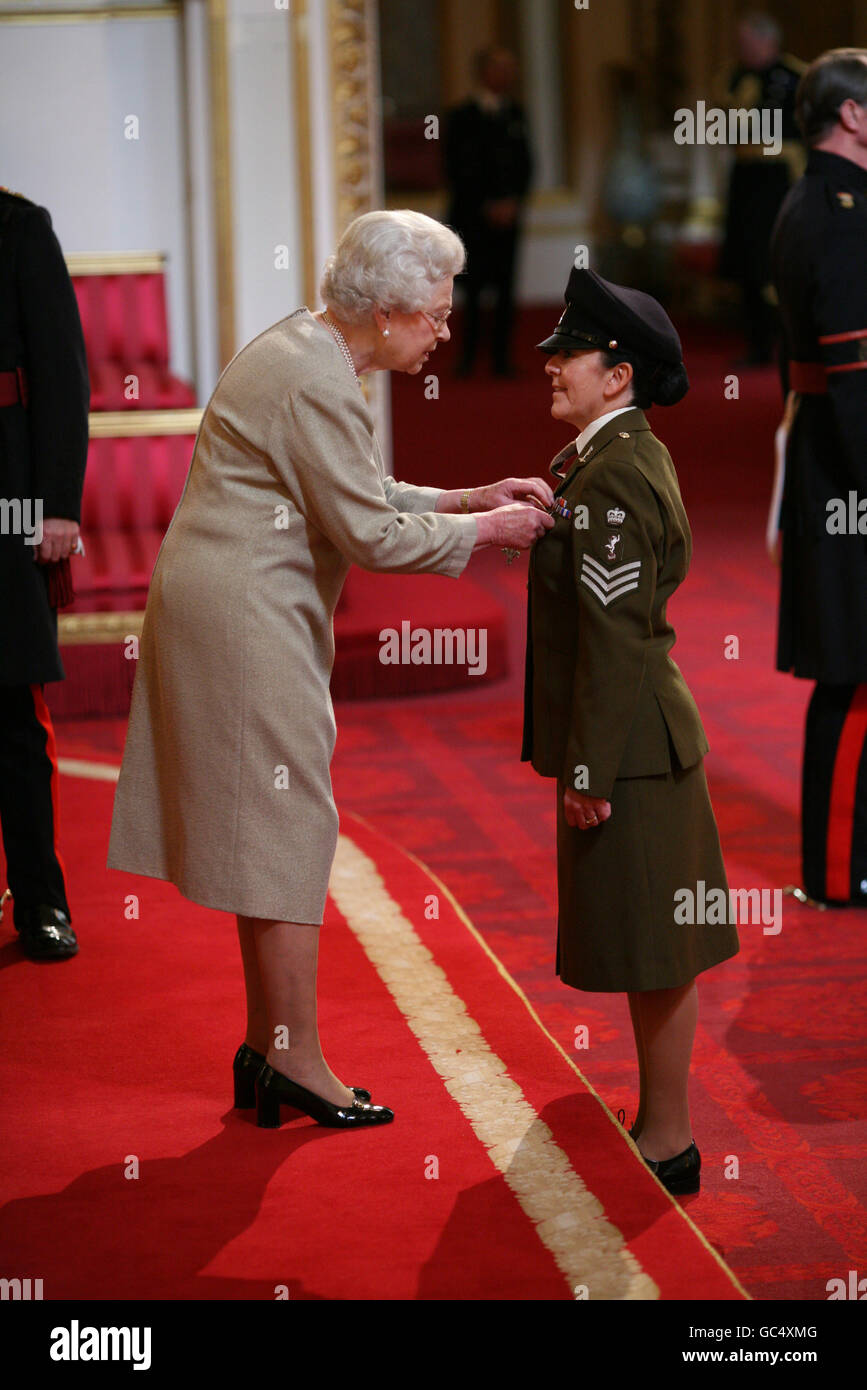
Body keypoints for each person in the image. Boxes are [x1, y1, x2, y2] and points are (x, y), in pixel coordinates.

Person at [107, 209, 554, 1131]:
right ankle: (294, 1058)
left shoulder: (312, 351)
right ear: (385, 311)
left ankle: (270, 1047)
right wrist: (487, 531)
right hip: (242, 615)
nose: (443, 330)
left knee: (262, 824)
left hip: (233, 601)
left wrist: (469, 495)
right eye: (433, 314)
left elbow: (361, 487)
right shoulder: (316, 375)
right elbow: (369, 531)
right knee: (286, 824)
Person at [522, 268, 740, 1195]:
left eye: (567, 355)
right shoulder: (606, 457)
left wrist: (589, 771)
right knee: (647, 939)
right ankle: (660, 1118)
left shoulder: (610, 476)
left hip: (635, 747)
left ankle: (669, 1139)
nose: (552, 369)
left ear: (618, 376)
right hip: (639, 736)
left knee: (657, 949)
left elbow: (612, 639)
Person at [768, 48, 867, 908]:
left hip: (834, 459)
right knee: (852, 668)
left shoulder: (827, 200)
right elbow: (850, 373)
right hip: (847, 470)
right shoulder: (836, 212)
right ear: (853, 117)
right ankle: (837, 872)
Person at [0, 187, 89, 961]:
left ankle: (39, 902)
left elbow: (61, 371)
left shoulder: (18, 226)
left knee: (9, 713)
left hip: (7, 498)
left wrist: (56, 506)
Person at [717, 12, 805, 365]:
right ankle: (756, 343)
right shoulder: (734, 77)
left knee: (778, 258)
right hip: (747, 174)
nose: (742, 49)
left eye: (748, 42)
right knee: (748, 260)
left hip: (780, 176)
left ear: (768, 40)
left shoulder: (797, 75)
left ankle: (791, 340)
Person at [443, 47, 533, 378]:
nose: (507, 76)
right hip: (472, 217)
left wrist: (513, 202)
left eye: (511, 69)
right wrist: (486, 204)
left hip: (508, 218)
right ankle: (467, 358)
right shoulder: (461, 116)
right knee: (472, 287)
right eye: (499, 68)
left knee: (506, 287)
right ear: (482, 72)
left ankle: (501, 359)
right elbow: (456, 166)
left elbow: (526, 164)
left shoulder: (517, 114)